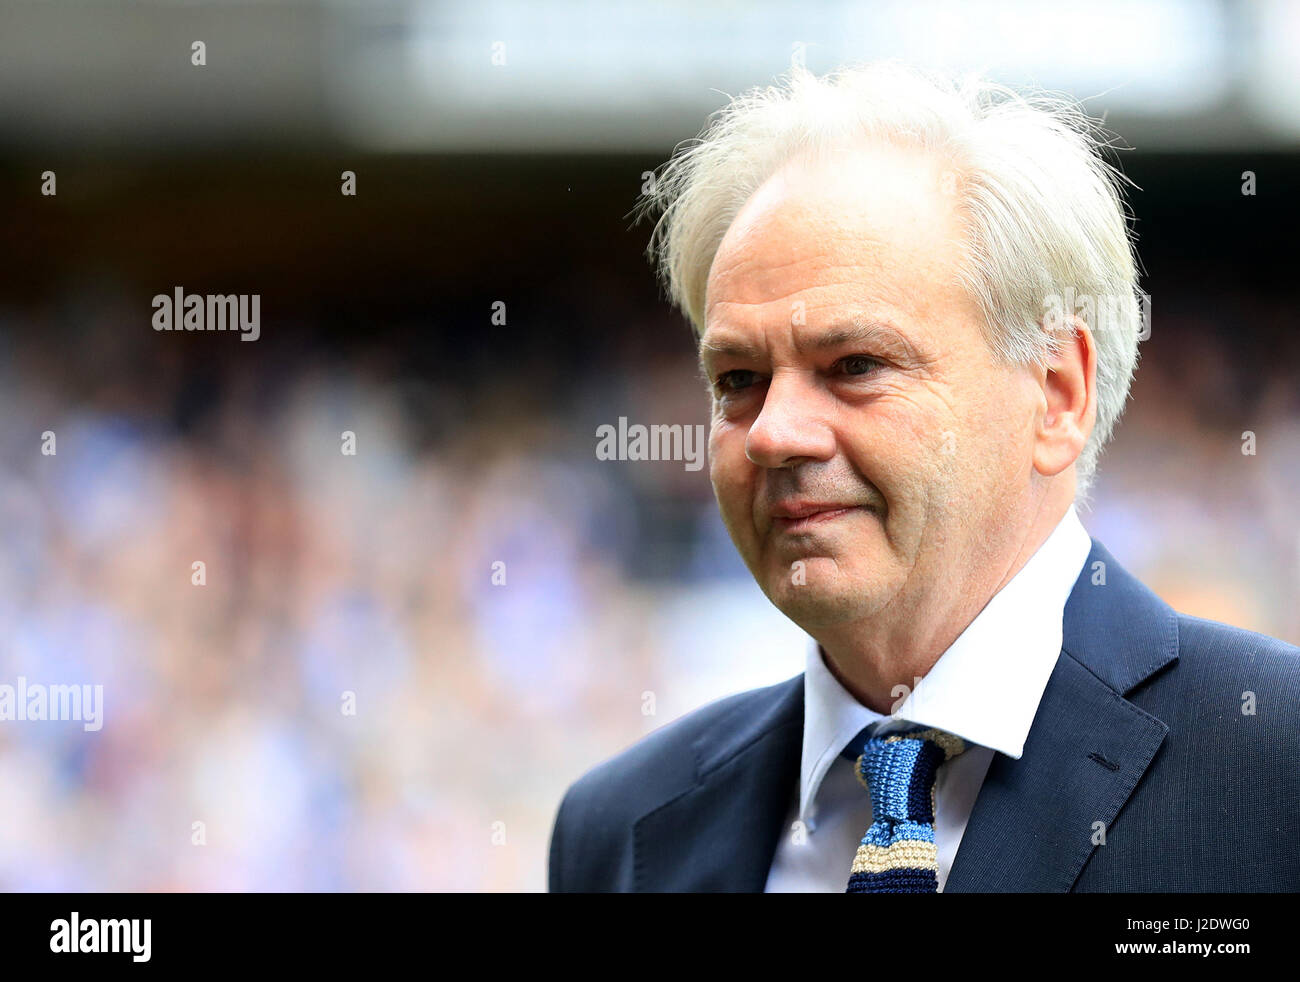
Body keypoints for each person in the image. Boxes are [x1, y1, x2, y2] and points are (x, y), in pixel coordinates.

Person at [547, 61, 1300, 892]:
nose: (772, 434)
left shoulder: (1274, 766)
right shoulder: (620, 833)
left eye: (855, 364)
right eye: (738, 380)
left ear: (1056, 394)